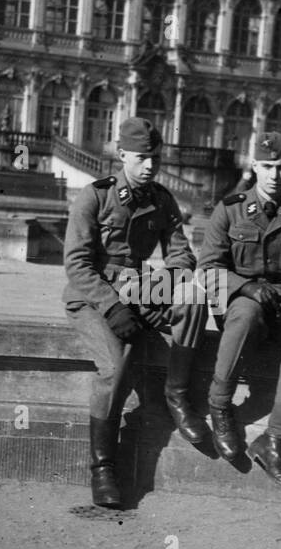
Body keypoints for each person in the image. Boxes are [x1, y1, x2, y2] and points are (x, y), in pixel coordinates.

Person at [63, 116, 209, 508]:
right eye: (142, 158)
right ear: (121, 153)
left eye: (155, 159)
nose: (150, 166)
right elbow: (77, 264)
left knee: (196, 299)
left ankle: (176, 394)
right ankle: (103, 467)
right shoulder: (94, 196)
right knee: (115, 364)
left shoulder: (161, 199)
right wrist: (112, 306)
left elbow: (181, 254)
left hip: (141, 288)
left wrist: (160, 287)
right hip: (93, 294)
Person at [199, 132, 281, 466]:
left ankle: (274, 437)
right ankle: (220, 404)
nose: (275, 176)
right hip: (238, 301)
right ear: (254, 166)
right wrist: (244, 287)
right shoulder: (230, 209)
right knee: (246, 312)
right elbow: (208, 269)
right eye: (268, 166)